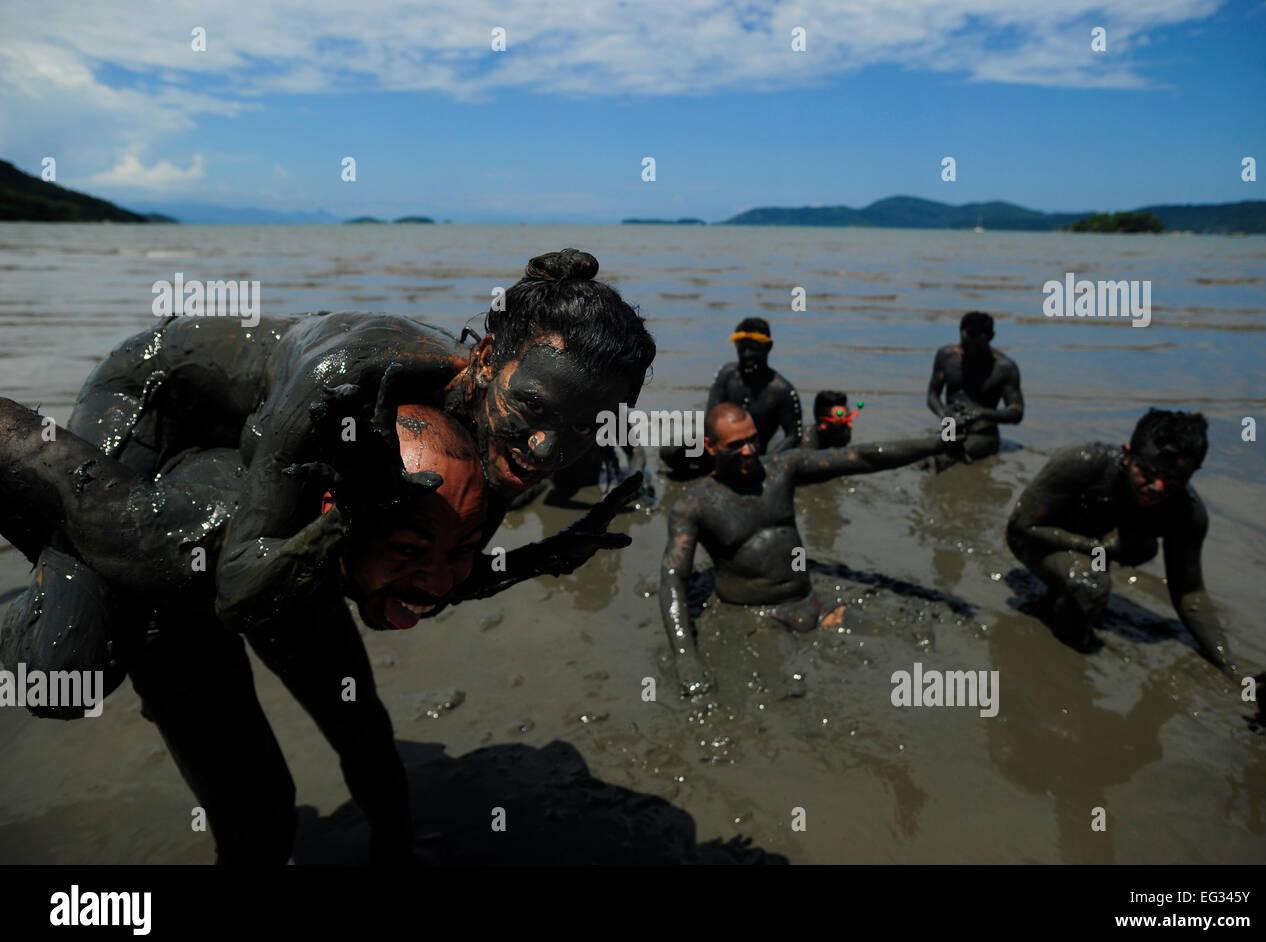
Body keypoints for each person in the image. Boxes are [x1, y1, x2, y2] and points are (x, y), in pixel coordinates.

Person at [3, 248, 658, 861]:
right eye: (533, 408)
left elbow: (431, 581)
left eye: (584, 428)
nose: (547, 448)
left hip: (287, 474)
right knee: (68, 666)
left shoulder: (507, 440)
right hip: (161, 398)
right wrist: (346, 519)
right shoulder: (346, 381)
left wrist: (540, 558)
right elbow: (238, 586)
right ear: (486, 359)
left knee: (358, 719)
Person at [660, 403, 964, 695]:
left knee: (896, 643)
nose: (749, 451)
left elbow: (861, 457)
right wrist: (685, 656)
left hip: (812, 603)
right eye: (736, 445)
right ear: (710, 446)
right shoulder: (694, 506)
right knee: (787, 689)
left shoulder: (781, 469)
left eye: (753, 440)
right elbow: (673, 578)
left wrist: (936, 444)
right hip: (758, 616)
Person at [1006, 408, 1227, 661]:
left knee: (1103, 575)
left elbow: (1190, 593)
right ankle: (1066, 656)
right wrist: (1096, 547)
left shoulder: (1187, 512)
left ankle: (1062, 600)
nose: (1157, 487)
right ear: (1127, 455)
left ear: (1192, 473)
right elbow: (1021, 526)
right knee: (1091, 584)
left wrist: (1228, 664)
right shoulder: (1084, 463)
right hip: (1035, 539)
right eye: (1147, 473)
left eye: (1173, 480)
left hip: (1092, 550)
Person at [659, 317, 802, 477]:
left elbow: (794, 435)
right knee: (670, 450)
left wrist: (768, 462)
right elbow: (711, 418)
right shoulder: (727, 375)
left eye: (754, 347)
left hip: (751, 456)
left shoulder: (782, 390)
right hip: (718, 450)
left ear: (768, 347)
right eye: (741, 346)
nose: (747, 354)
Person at [925, 311, 1023, 466]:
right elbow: (932, 395)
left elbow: (1016, 412)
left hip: (983, 433)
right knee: (924, 456)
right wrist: (943, 413)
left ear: (991, 336)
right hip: (951, 426)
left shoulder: (1005, 368)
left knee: (947, 459)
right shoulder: (946, 356)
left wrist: (981, 413)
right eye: (966, 344)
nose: (970, 350)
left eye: (976, 345)